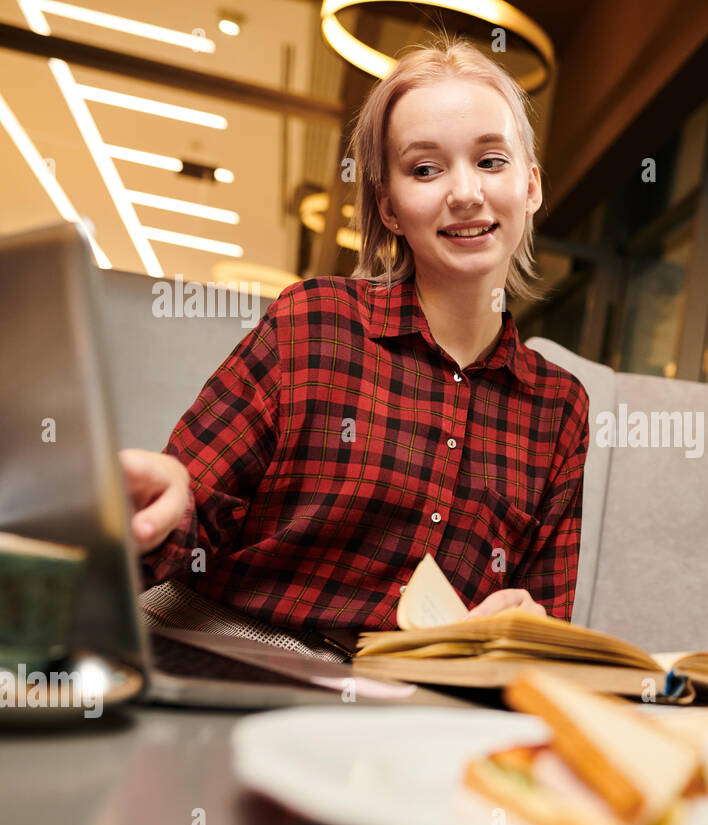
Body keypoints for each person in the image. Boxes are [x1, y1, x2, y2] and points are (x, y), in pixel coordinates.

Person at [119, 37, 589, 629]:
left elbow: (548, 630)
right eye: (425, 169)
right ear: (389, 207)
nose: (466, 193)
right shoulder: (315, 322)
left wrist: (519, 627)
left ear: (531, 186)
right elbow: (191, 517)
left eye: (491, 161)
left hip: (413, 705)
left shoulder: (559, 408)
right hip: (231, 653)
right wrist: (160, 504)